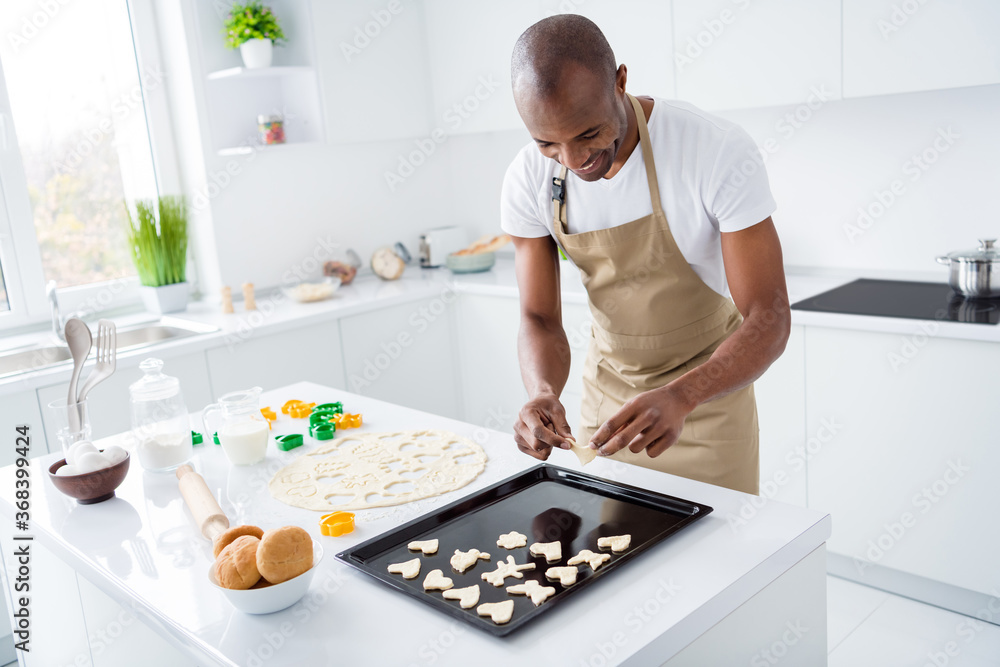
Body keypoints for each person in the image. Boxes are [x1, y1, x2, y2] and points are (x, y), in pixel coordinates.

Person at [500, 15, 791, 494]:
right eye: (548, 143)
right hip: (607, 409)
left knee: (718, 563)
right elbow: (538, 316)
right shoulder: (528, 177)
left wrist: (685, 394)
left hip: (707, 403)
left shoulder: (712, 150)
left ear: (620, 82)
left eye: (588, 133)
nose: (573, 161)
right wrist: (543, 394)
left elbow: (770, 317)